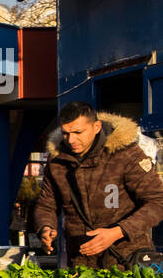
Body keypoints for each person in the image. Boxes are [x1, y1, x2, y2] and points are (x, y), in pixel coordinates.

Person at [33, 103, 163, 268]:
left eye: (78, 132)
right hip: (81, 263)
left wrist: (117, 232)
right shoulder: (57, 161)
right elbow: (46, 204)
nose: (71, 140)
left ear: (96, 127)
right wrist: (45, 227)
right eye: (65, 134)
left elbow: (157, 202)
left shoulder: (125, 154)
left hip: (126, 261)